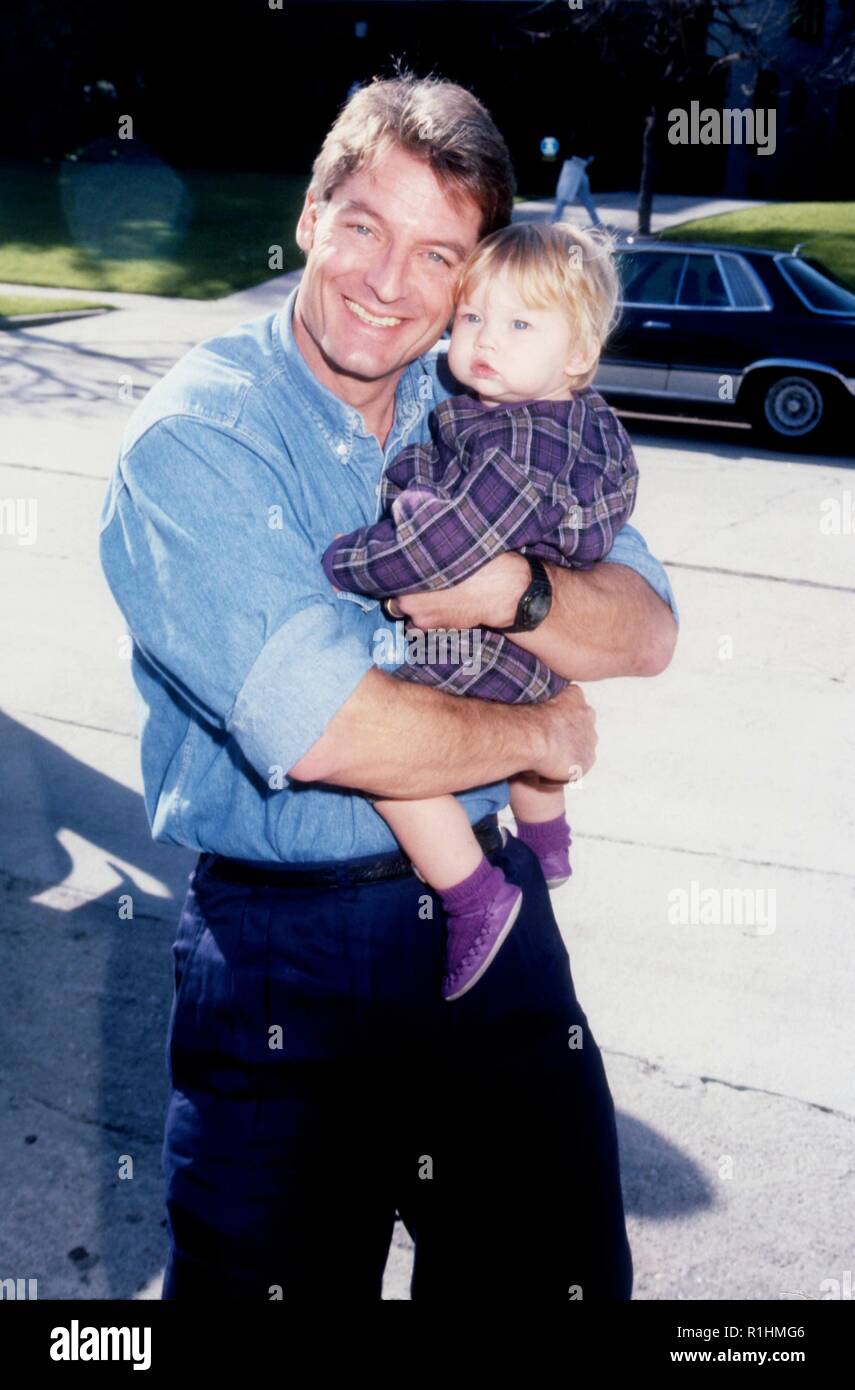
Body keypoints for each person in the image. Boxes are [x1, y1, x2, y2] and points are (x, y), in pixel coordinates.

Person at [98, 72, 679, 1300]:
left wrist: (510, 596)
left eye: (436, 255)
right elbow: (331, 728)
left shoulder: (485, 388)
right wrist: (545, 731)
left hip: (497, 924)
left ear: (473, 279)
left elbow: (643, 628)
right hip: (286, 956)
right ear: (310, 216)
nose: (386, 282)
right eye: (363, 226)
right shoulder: (198, 440)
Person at [322, 220, 637, 1002]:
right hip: (539, 654)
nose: (483, 340)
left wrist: (345, 561)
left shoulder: (517, 445)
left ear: (577, 355)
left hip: (482, 653)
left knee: (390, 758)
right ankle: (547, 841)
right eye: (471, 318)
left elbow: (444, 549)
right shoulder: (582, 419)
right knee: (530, 708)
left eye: (519, 324)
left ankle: (473, 896)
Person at [553, 154, 602, 228]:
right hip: (574, 167)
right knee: (586, 200)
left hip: (576, 169)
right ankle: (598, 224)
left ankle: (553, 223)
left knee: (562, 199)